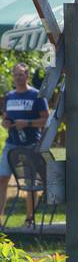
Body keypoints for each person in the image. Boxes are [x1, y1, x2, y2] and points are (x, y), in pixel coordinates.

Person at [0, 63, 49, 228]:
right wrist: (6, 124)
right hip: (11, 144)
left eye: (21, 75)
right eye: (15, 75)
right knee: (2, 178)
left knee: (30, 182)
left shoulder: (37, 95)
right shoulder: (9, 96)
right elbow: (4, 119)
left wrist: (27, 123)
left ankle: (29, 218)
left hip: (31, 145)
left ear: (27, 76)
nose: (18, 78)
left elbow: (46, 120)